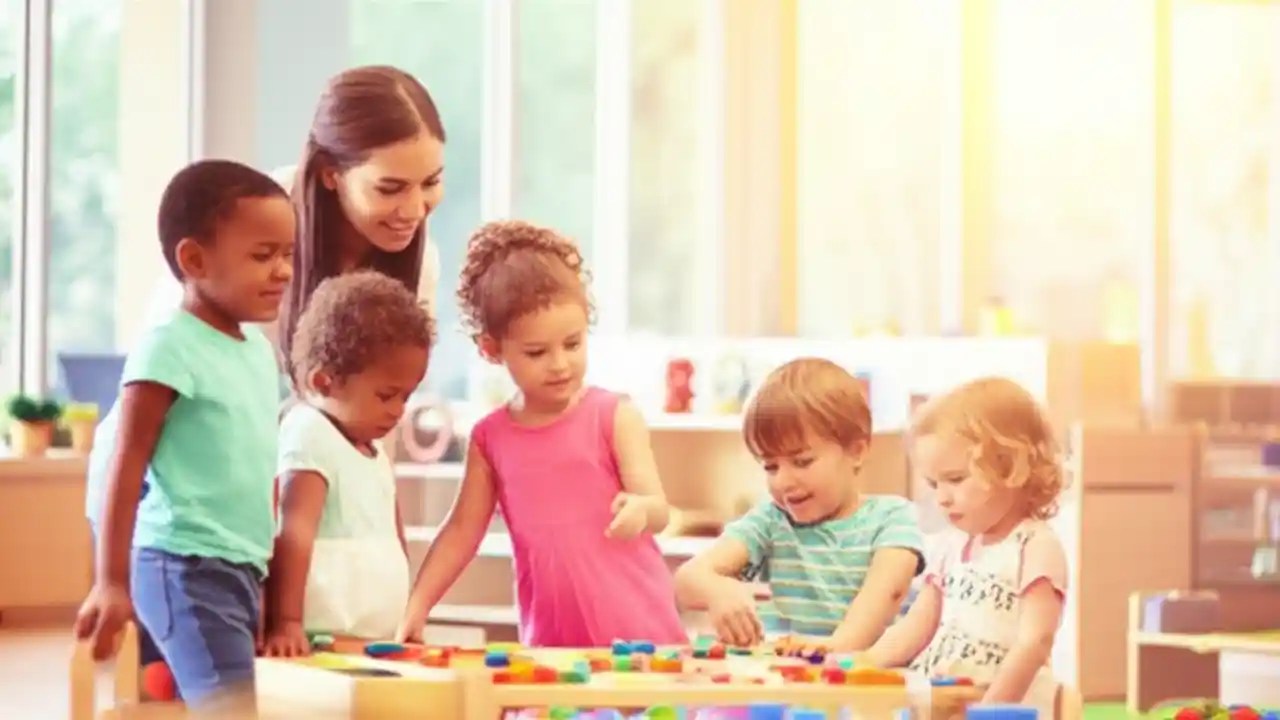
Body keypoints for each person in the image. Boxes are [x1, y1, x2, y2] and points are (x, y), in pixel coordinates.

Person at [395, 220, 687, 647]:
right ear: (491, 349)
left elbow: (659, 509)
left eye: (572, 344)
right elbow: (461, 531)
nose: (560, 364)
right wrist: (417, 607)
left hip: (639, 629)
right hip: (553, 641)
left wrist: (641, 510)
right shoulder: (490, 439)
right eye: (536, 352)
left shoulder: (614, 416)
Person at [73, 160, 294, 712]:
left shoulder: (260, 353)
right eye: (263, 255)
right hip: (183, 567)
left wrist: (265, 576)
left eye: (288, 254)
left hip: (240, 568)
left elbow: (256, 465)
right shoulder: (168, 346)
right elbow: (127, 465)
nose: (284, 271)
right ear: (193, 260)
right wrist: (111, 581)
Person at [673, 358, 925, 653]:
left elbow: (888, 592)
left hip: (867, 676)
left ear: (856, 452)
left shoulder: (893, 517)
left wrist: (837, 646)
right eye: (770, 466)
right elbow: (687, 579)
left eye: (802, 462)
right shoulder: (772, 519)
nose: (783, 481)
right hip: (791, 674)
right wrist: (718, 590)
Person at [862, 377, 1068, 716]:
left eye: (956, 479)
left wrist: (990, 711)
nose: (941, 497)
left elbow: (1035, 641)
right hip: (944, 699)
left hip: (1004, 707)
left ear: (1012, 467)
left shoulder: (1034, 545)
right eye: (933, 483)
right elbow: (918, 624)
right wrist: (862, 666)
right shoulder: (950, 547)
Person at [261, 270, 434, 656]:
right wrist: (286, 622)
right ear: (324, 382)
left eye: (406, 396)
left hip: (371, 641)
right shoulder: (310, 432)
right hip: (319, 638)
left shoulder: (372, 448)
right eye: (387, 395)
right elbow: (294, 530)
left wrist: (405, 615)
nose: (398, 411)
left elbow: (395, 536)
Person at [278, 64, 447, 380]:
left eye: (430, 183)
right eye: (390, 188)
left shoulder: (423, 263)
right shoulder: (257, 218)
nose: (414, 211)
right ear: (331, 175)